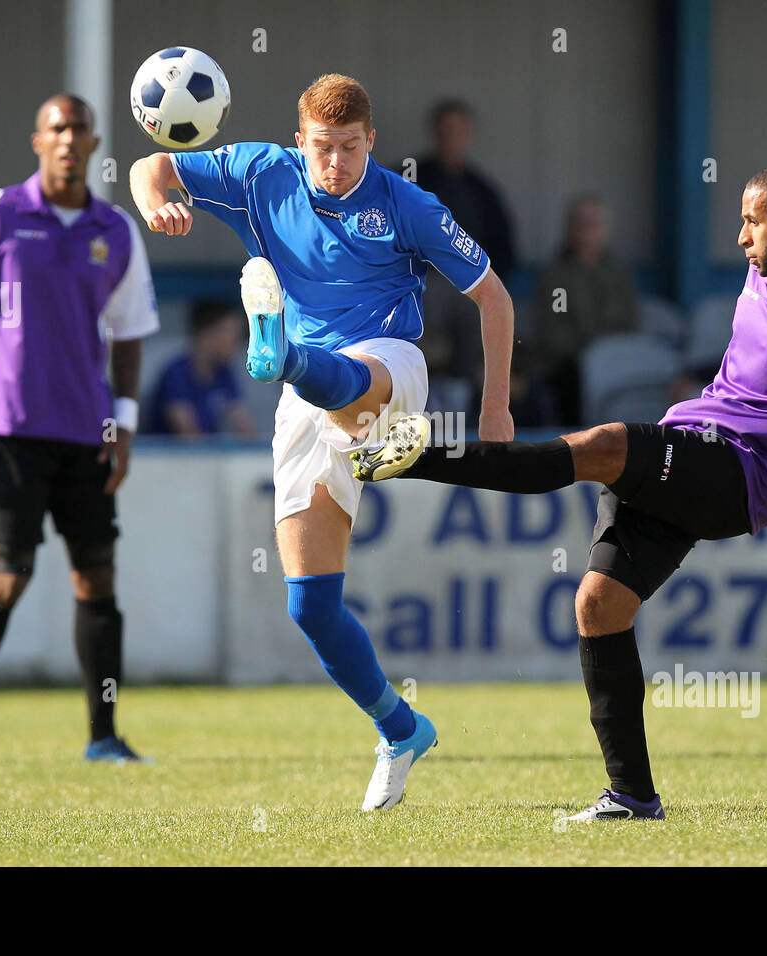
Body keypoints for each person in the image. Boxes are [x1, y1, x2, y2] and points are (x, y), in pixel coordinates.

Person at [354, 165, 767, 821]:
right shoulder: (764, 273)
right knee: (599, 606)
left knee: (604, 446)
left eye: (751, 221)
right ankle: (632, 797)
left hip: (739, 475)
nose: (740, 236)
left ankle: (417, 454)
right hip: (692, 445)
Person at [130, 73, 514, 811]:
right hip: (306, 403)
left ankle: (288, 358)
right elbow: (155, 165)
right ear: (297, 139)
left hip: (388, 368)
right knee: (309, 605)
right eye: (322, 148)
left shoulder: (408, 205)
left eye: (349, 147)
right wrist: (156, 205)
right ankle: (401, 731)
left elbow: (492, 297)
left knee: (344, 376)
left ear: (372, 142)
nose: (335, 162)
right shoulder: (260, 171)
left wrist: (495, 410)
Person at [0, 94, 159, 766]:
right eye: (58, 129)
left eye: (80, 129)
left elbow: (131, 332)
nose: (69, 140)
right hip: (12, 427)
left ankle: (103, 736)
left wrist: (125, 425)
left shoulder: (116, 229)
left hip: (88, 430)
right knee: (7, 578)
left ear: (95, 141)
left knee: (97, 579)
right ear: (38, 139)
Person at [414, 100, 517, 411]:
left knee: (483, 302)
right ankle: (422, 396)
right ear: (434, 133)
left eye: (458, 130)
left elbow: (505, 247)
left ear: (468, 135)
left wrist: (486, 282)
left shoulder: (481, 190)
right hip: (422, 281)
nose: (452, 137)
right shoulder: (412, 179)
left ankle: (460, 395)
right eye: (445, 130)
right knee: (429, 304)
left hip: (469, 284)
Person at [532, 194, 641, 424]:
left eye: (594, 224)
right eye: (581, 223)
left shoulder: (618, 274)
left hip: (618, 361)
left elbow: (632, 321)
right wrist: (592, 353)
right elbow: (554, 333)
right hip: (570, 368)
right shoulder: (556, 278)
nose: (587, 230)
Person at [144, 300, 257, 437]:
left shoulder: (224, 372)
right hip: (165, 456)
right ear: (206, 335)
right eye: (230, 333)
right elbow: (188, 433)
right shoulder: (176, 374)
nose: (236, 342)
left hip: (206, 455)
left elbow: (245, 426)